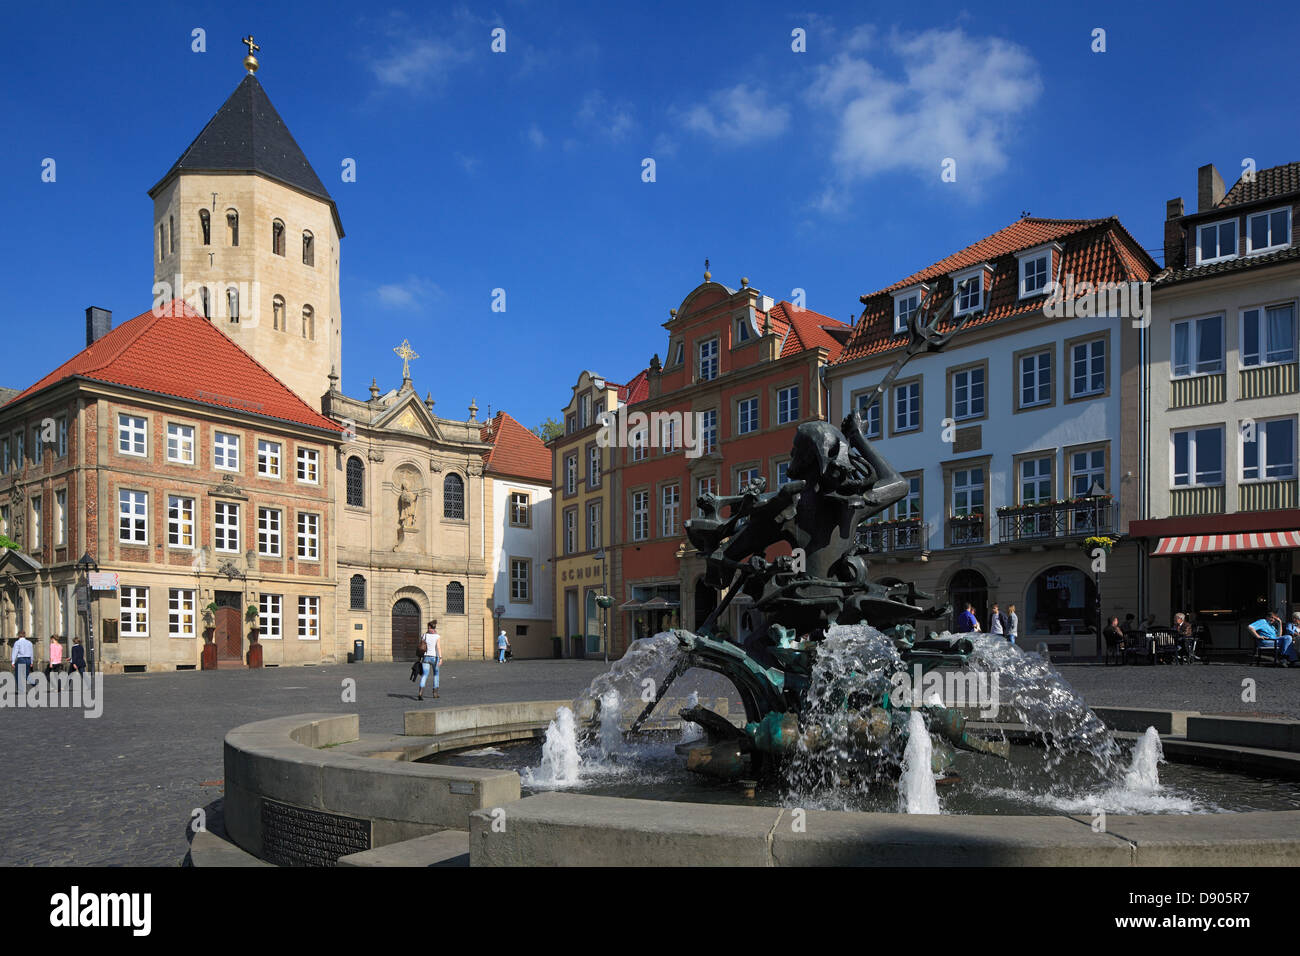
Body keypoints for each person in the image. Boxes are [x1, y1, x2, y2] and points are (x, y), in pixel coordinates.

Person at [417, 620, 441, 700]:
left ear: (429, 627)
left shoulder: (424, 635)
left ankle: (420, 693)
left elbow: (421, 645)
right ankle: (435, 693)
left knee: (425, 675)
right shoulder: (437, 636)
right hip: (434, 657)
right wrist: (440, 657)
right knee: (436, 674)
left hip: (425, 657)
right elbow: (438, 647)